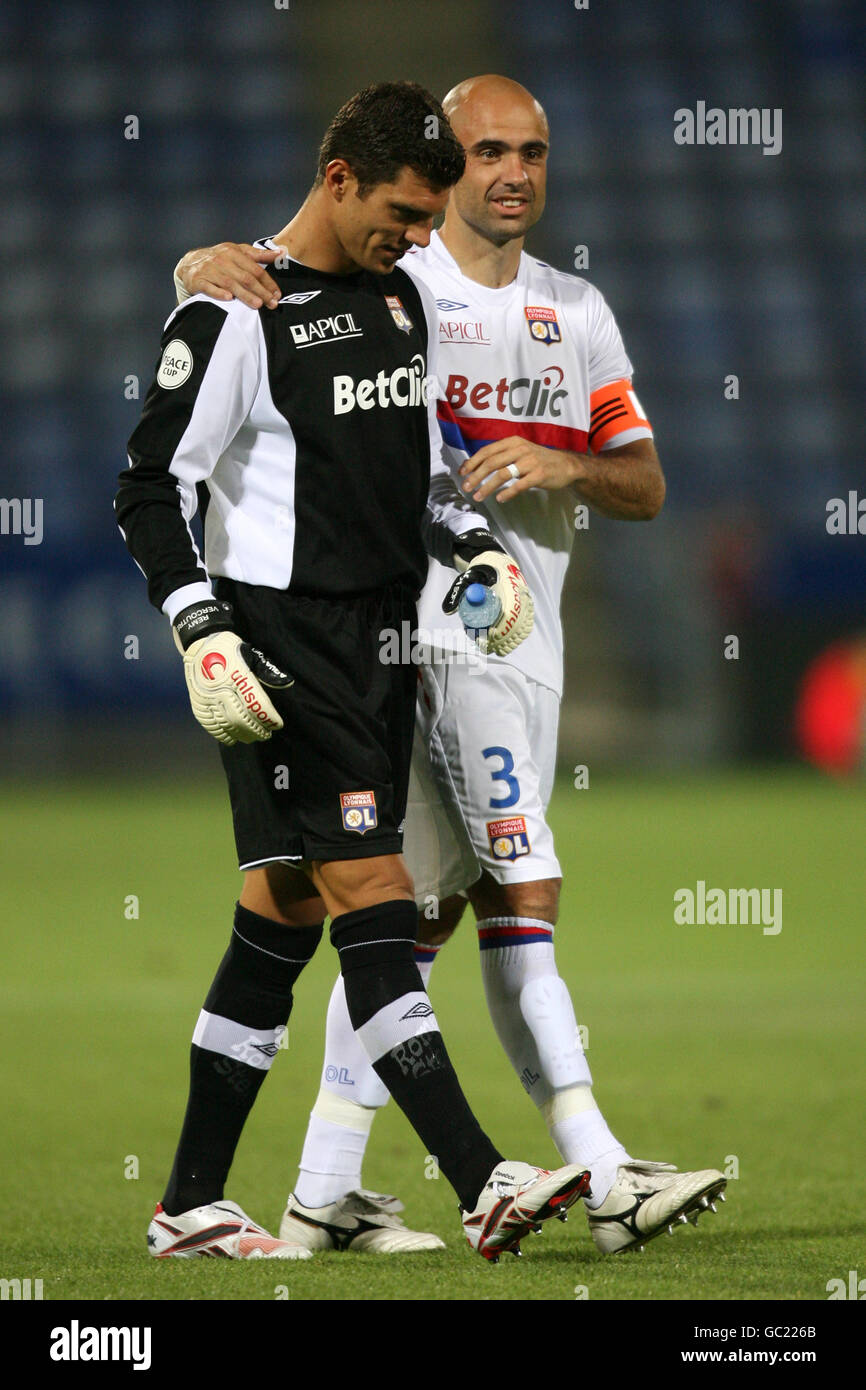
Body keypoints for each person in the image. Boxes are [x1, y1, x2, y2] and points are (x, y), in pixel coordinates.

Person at [176, 75, 727, 1258]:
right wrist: (194, 265)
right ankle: (589, 1168)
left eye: (531, 149)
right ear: (441, 164)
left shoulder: (571, 310)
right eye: (486, 151)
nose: (510, 173)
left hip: (520, 636)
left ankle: (313, 1188)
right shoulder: (394, 272)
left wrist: (559, 466)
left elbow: (643, 481)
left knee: (376, 912)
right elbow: (261, 293)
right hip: (410, 642)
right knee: (494, 894)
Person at [116, 81, 592, 1265]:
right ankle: (486, 1182)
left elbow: (422, 462)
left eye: (431, 218)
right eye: (401, 212)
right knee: (377, 906)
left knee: (279, 914)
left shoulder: (394, 299)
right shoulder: (232, 313)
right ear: (336, 180)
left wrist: (473, 548)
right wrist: (199, 626)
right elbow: (149, 487)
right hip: (283, 651)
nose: (420, 237)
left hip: (384, 649)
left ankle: (189, 1204)